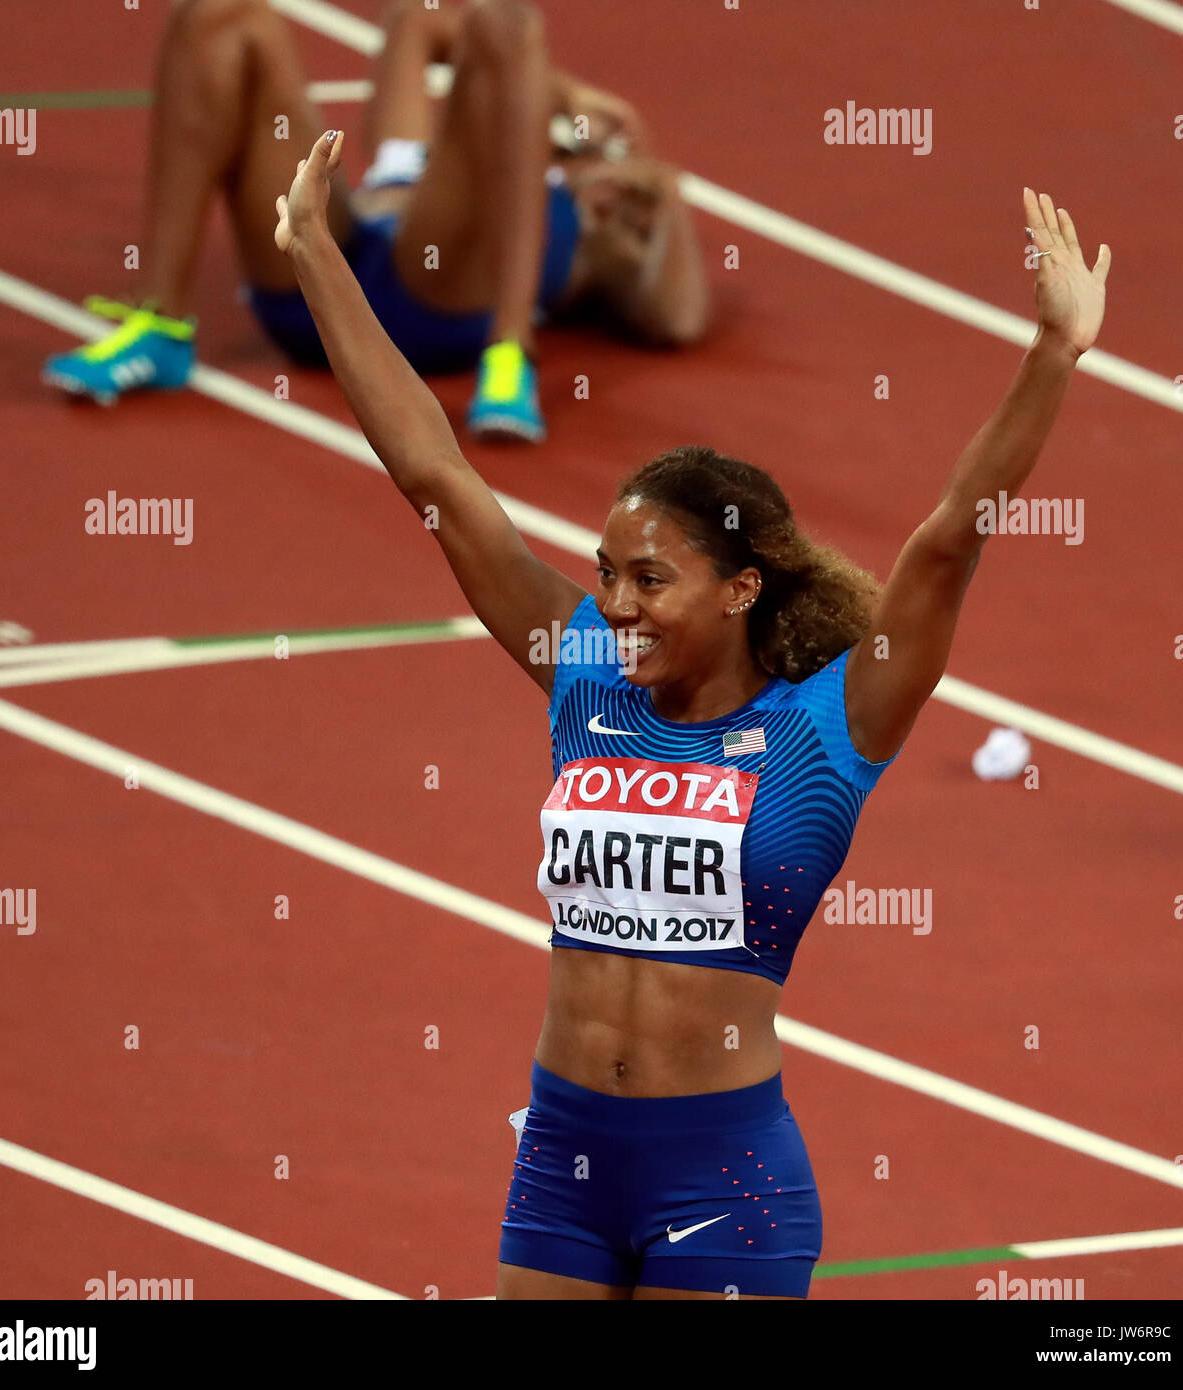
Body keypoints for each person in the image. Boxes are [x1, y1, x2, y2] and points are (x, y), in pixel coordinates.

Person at [277, 123, 1109, 1297]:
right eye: (607, 573)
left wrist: (1054, 351)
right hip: (563, 1159)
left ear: (739, 588)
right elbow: (434, 473)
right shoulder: (582, 677)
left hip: (722, 1178)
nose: (614, 603)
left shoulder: (831, 728)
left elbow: (945, 539)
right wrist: (314, 249)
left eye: (649, 580)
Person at [42, 0, 709, 443]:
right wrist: (569, 93)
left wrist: (663, 184)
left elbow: (677, 319)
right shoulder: (429, 146)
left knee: (510, 21)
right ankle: (159, 327)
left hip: (434, 308)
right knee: (220, 13)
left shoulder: (589, 223)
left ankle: (509, 359)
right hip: (326, 284)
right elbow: (418, 22)